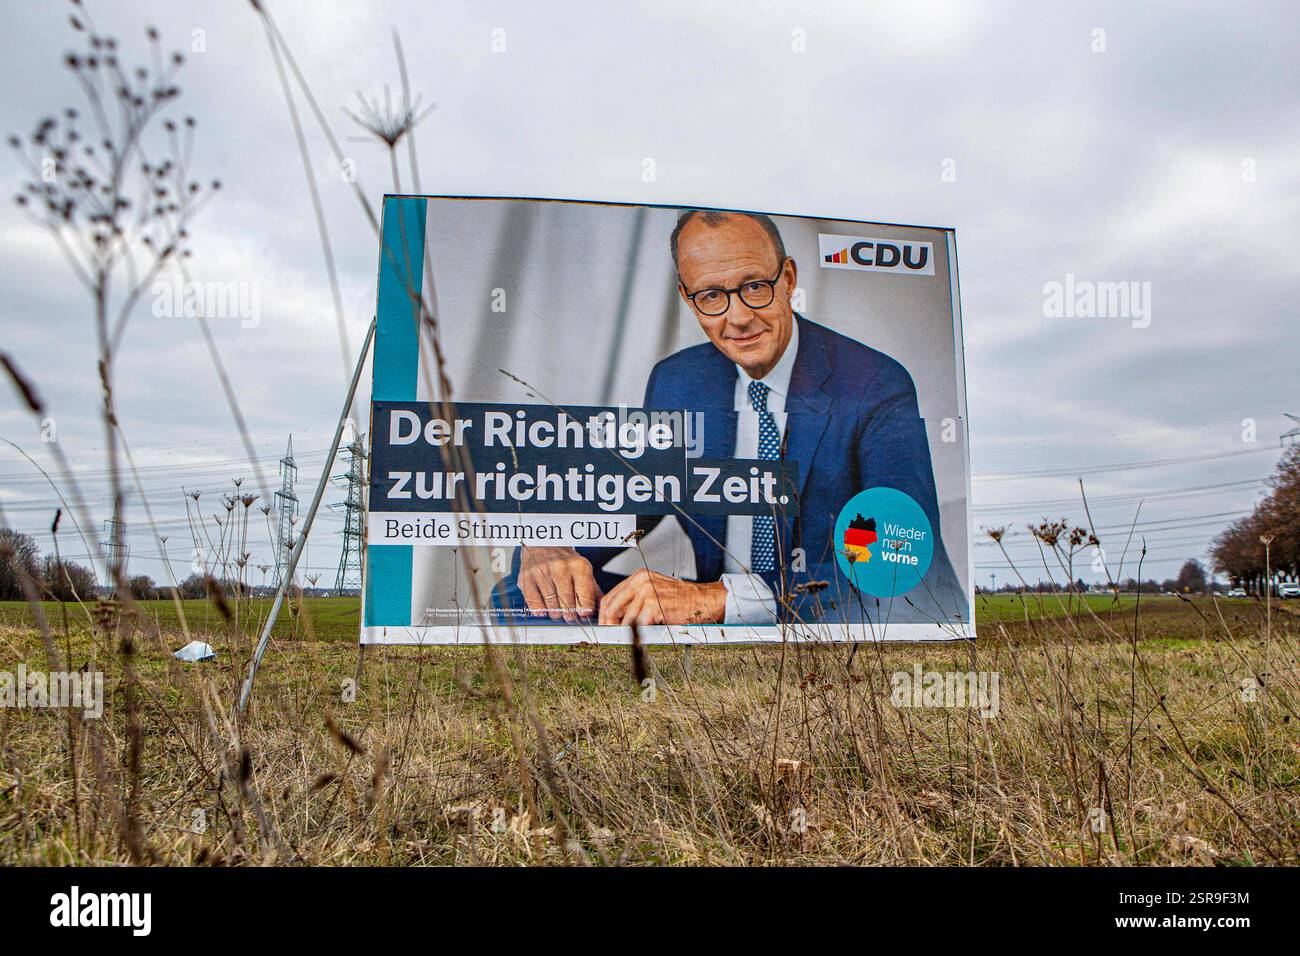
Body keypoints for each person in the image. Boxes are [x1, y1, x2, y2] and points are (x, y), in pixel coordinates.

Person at [499, 209, 968, 627]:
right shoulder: (679, 381)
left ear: (787, 279)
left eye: (754, 287)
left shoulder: (875, 384)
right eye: (711, 296)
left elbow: (894, 556)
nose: (738, 318)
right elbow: (635, 498)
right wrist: (554, 542)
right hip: (716, 619)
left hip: (843, 614)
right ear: (688, 298)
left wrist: (718, 599)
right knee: (522, 593)